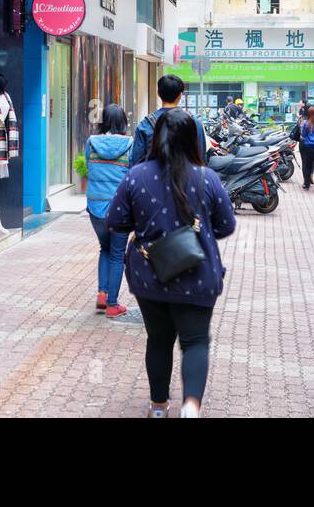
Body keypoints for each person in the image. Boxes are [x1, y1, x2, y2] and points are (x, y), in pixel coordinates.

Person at [106, 110, 235, 418]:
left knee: (159, 340)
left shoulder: (135, 176)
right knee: (195, 341)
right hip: (198, 275)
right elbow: (226, 225)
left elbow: (115, 221)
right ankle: (191, 406)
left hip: (151, 275)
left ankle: (159, 407)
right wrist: (199, 233)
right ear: (194, 140)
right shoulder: (207, 177)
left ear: (155, 138)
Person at [86, 104, 133, 319]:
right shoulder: (130, 144)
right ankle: (112, 305)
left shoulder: (91, 143)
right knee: (116, 255)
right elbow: (134, 174)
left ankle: (102, 297)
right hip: (120, 209)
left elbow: (89, 167)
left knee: (104, 249)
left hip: (96, 207)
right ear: (123, 121)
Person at [130, 74, 206, 168]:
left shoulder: (145, 124)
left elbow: (136, 161)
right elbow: (201, 157)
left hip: (152, 180)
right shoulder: (194, 123)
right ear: (180, 95)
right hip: (187, 180)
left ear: (158, 93)